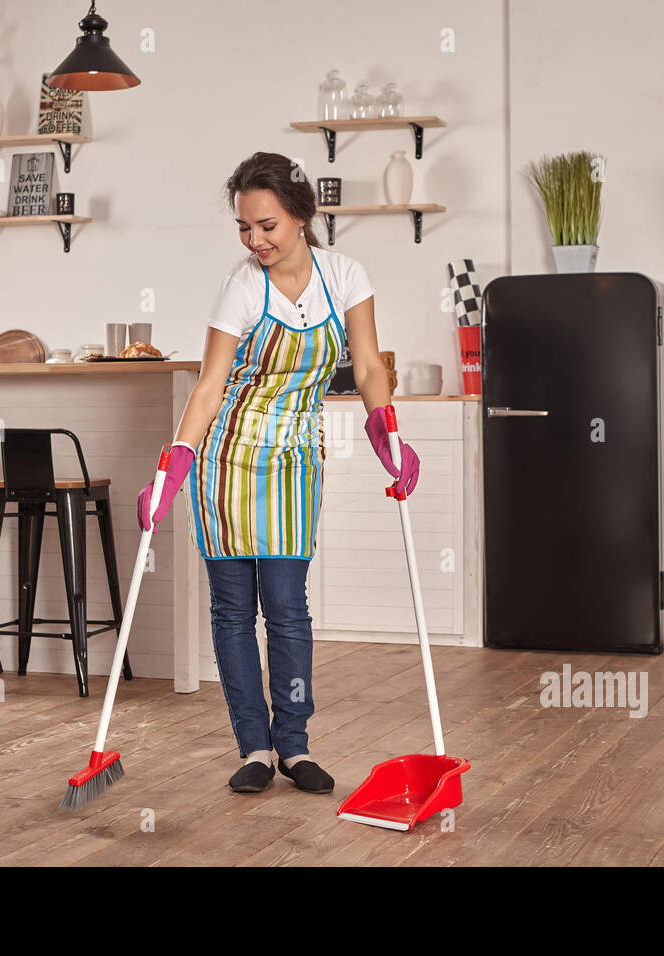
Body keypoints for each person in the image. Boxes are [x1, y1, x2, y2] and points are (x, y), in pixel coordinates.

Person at [138, 151, 420, 795]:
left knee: (288, 611)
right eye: (244, 228)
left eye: (266, 225)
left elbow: (370, 364)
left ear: (299, 216)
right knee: (234, 612)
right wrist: (175, 464)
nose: (255, 240)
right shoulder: (241, 287)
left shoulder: (344, 275)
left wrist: (387, 432)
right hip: (227, 461)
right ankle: (256, 749)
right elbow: (210, 386)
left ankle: (295, 745)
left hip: (294, 460)